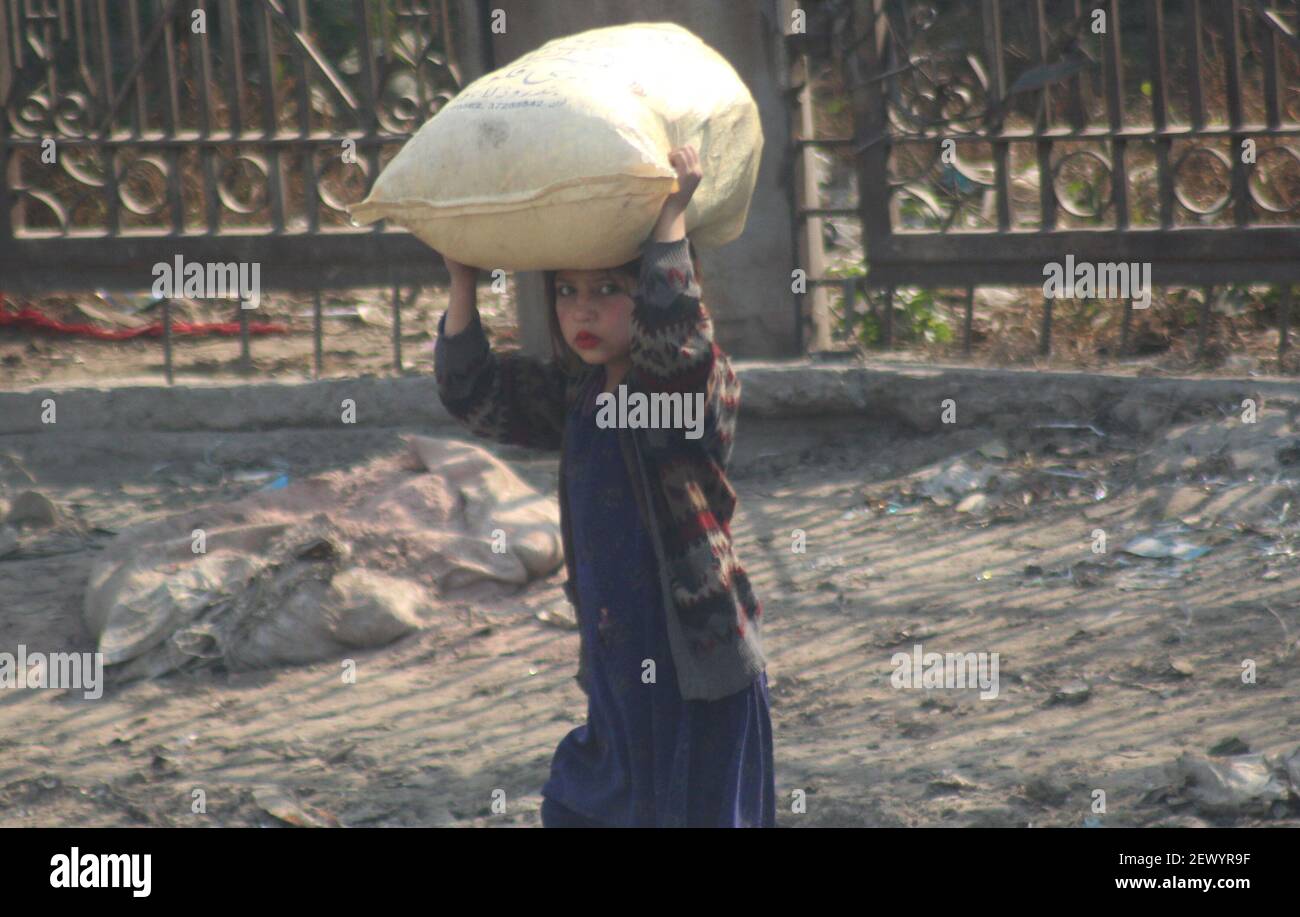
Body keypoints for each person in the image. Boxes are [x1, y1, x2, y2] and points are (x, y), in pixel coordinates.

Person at [433, 145, 774, 828]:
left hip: (691, 665)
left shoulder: (687, 393)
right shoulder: (579, 392)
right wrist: (462, 282)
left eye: (606, 290)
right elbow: (475, 393)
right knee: (582, 803)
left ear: (648, 291)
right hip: (619, 666)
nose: (581, 310)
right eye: (566, 291)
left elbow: (673, 349)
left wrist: (669, 215)